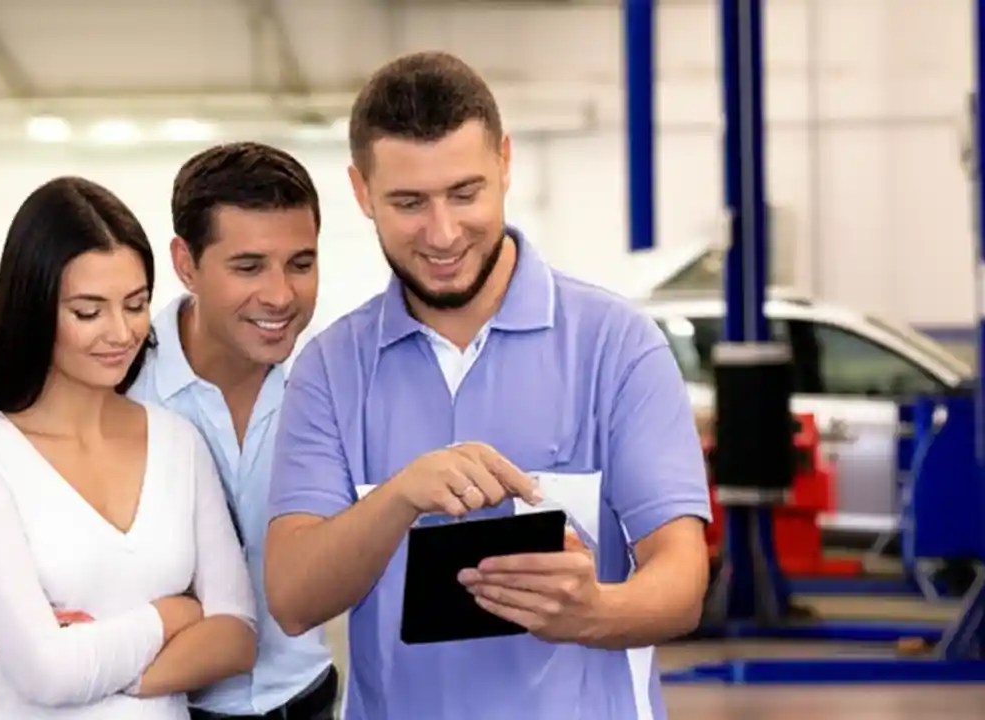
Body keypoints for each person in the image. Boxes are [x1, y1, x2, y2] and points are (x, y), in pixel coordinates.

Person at [264, 51, 713, 720]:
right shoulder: (330, 369)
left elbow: (682, 581)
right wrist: (398, 498)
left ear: (505, 162)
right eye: (409, 203)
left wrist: (594, 611)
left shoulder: (617, 347)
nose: (443, 234)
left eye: (465, 193)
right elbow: (294, 599)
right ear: (361, 193)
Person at [0, 176, 258, 719]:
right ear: (34, 311)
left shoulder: (177, 440)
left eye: (135, 304)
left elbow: (237, 634)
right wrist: (174, 615)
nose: (121, 332)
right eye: (88, 311)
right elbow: (47, 673)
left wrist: (103, 675)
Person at [129, 142, 338, 720]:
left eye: (301, 263)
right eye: (248, 267)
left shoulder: (333, 391)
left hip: (308, 699)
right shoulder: (118, 388)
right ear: (185, 263)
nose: (280, 295)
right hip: (159, 706)